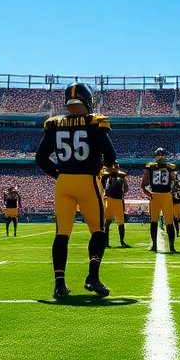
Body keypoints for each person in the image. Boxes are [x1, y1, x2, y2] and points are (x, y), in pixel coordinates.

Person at [35, 81, 116, 299]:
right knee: (98, 231)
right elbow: (111, 155)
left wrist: (59, 174)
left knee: (62, 234)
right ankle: (92, 277)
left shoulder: (54, 123)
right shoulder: (94, 121)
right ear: (88, 99)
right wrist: (102, 164)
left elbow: (40, 158)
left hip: (64, 183)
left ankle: (59, 284)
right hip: (88, 181)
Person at [141, 148, 178, 253]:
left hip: (158, 195)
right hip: (163, 195)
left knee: (159, 221)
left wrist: (147, 192)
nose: (161, 157)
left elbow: (144, 184)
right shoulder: (169, 167)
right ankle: (168, 246)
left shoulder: (151, 166)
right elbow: (174, 181)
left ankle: (158, 245)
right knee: (164, 222)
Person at [100, 163, 129, 247]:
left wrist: (124, 180)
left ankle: (121, 242)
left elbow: (126, 189)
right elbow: (102, 184)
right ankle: (107, 243)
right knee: (108, 222)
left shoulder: (121, 176)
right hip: (111, 199)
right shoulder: (107, 175)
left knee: (120, 222)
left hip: (117, 200)